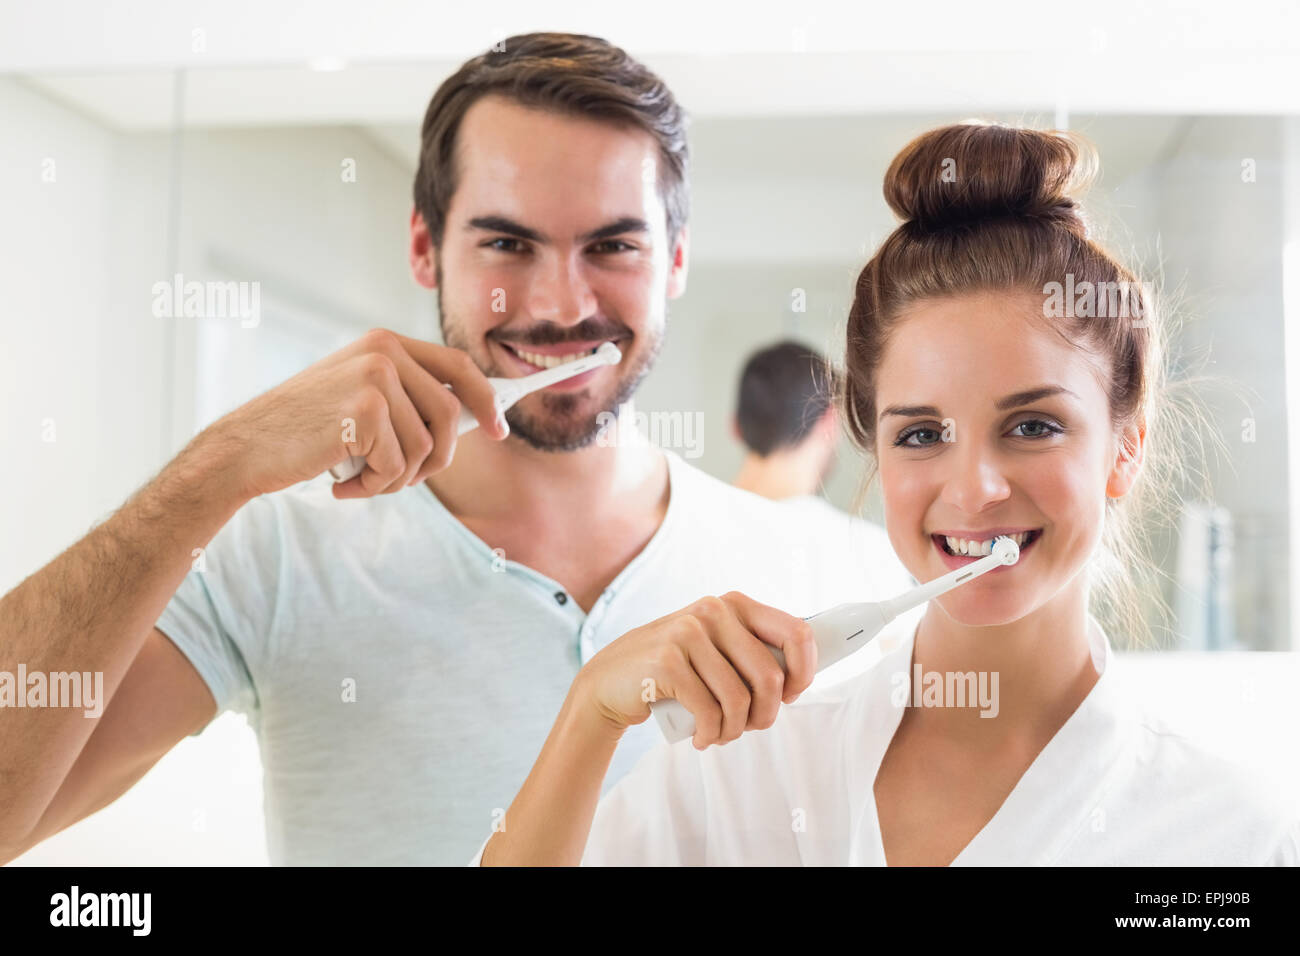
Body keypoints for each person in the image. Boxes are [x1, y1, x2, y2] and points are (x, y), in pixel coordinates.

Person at [0, 33, 910, 866]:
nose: (558, 305)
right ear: (426, 248)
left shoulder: (802, 568)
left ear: (673, 260)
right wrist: (223, 461)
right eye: (509, 243)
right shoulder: (279, 556)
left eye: (613, 245)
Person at [472, 121, 1300, 866]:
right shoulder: (744, 779)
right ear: (873, 452)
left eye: (1034, 426)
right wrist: (591, 715)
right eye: (922, 435)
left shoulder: (1230, 835)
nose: (974, 490)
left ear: (1128, 448)